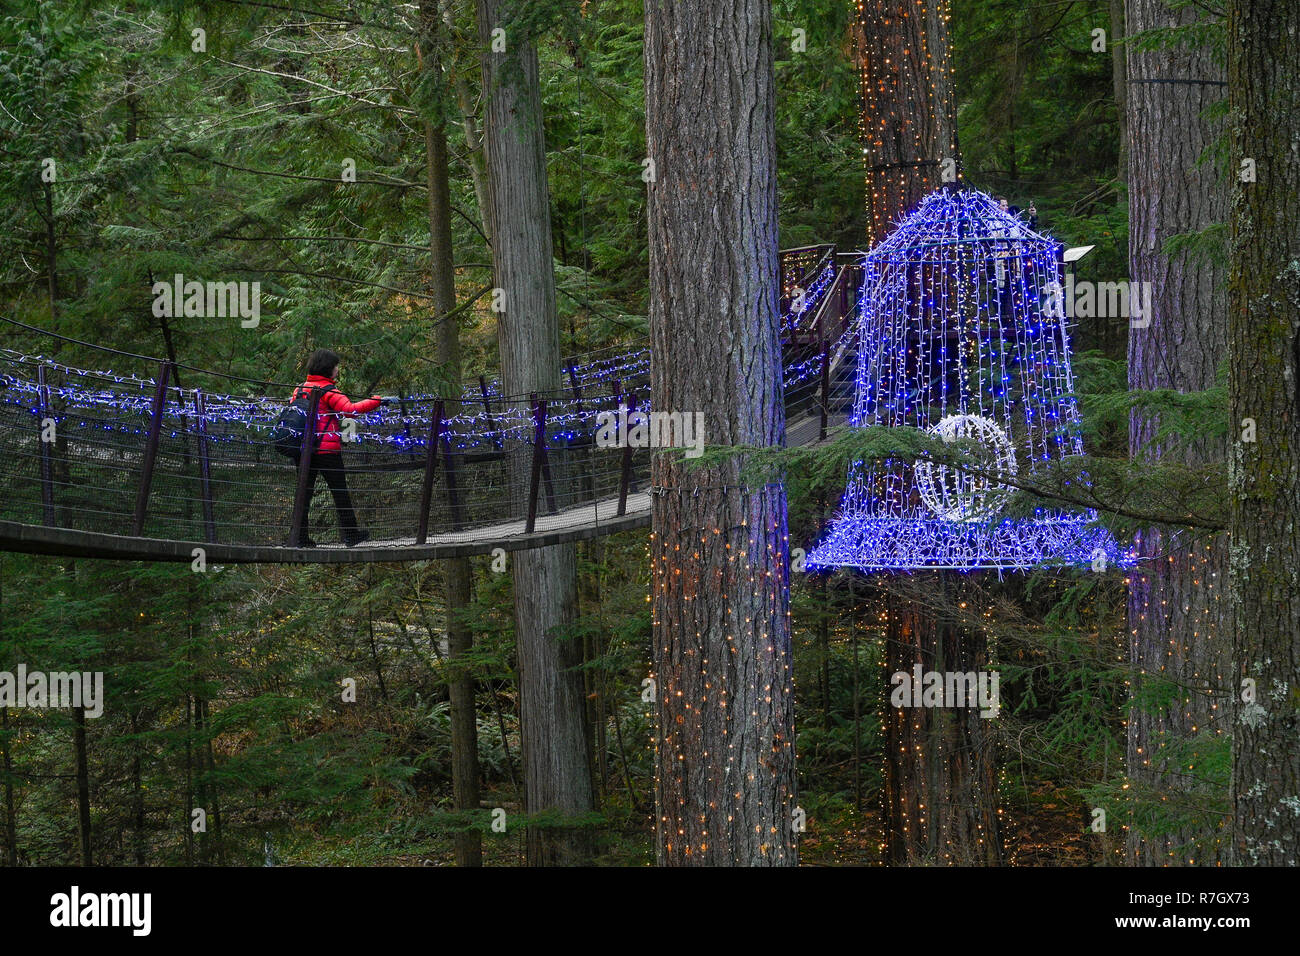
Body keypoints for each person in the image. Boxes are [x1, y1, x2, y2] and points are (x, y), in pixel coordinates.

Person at [289, 348, 385, 547]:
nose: (337, 369)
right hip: (327, 450)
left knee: (303, 494)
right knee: (339, 492)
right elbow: (350, 410)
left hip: (304, 449)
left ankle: (299, 538)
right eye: (336, 366)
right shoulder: (328, 390)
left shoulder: (300, 389)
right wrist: (377, 401)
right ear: (329, 368)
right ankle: (351, 534)